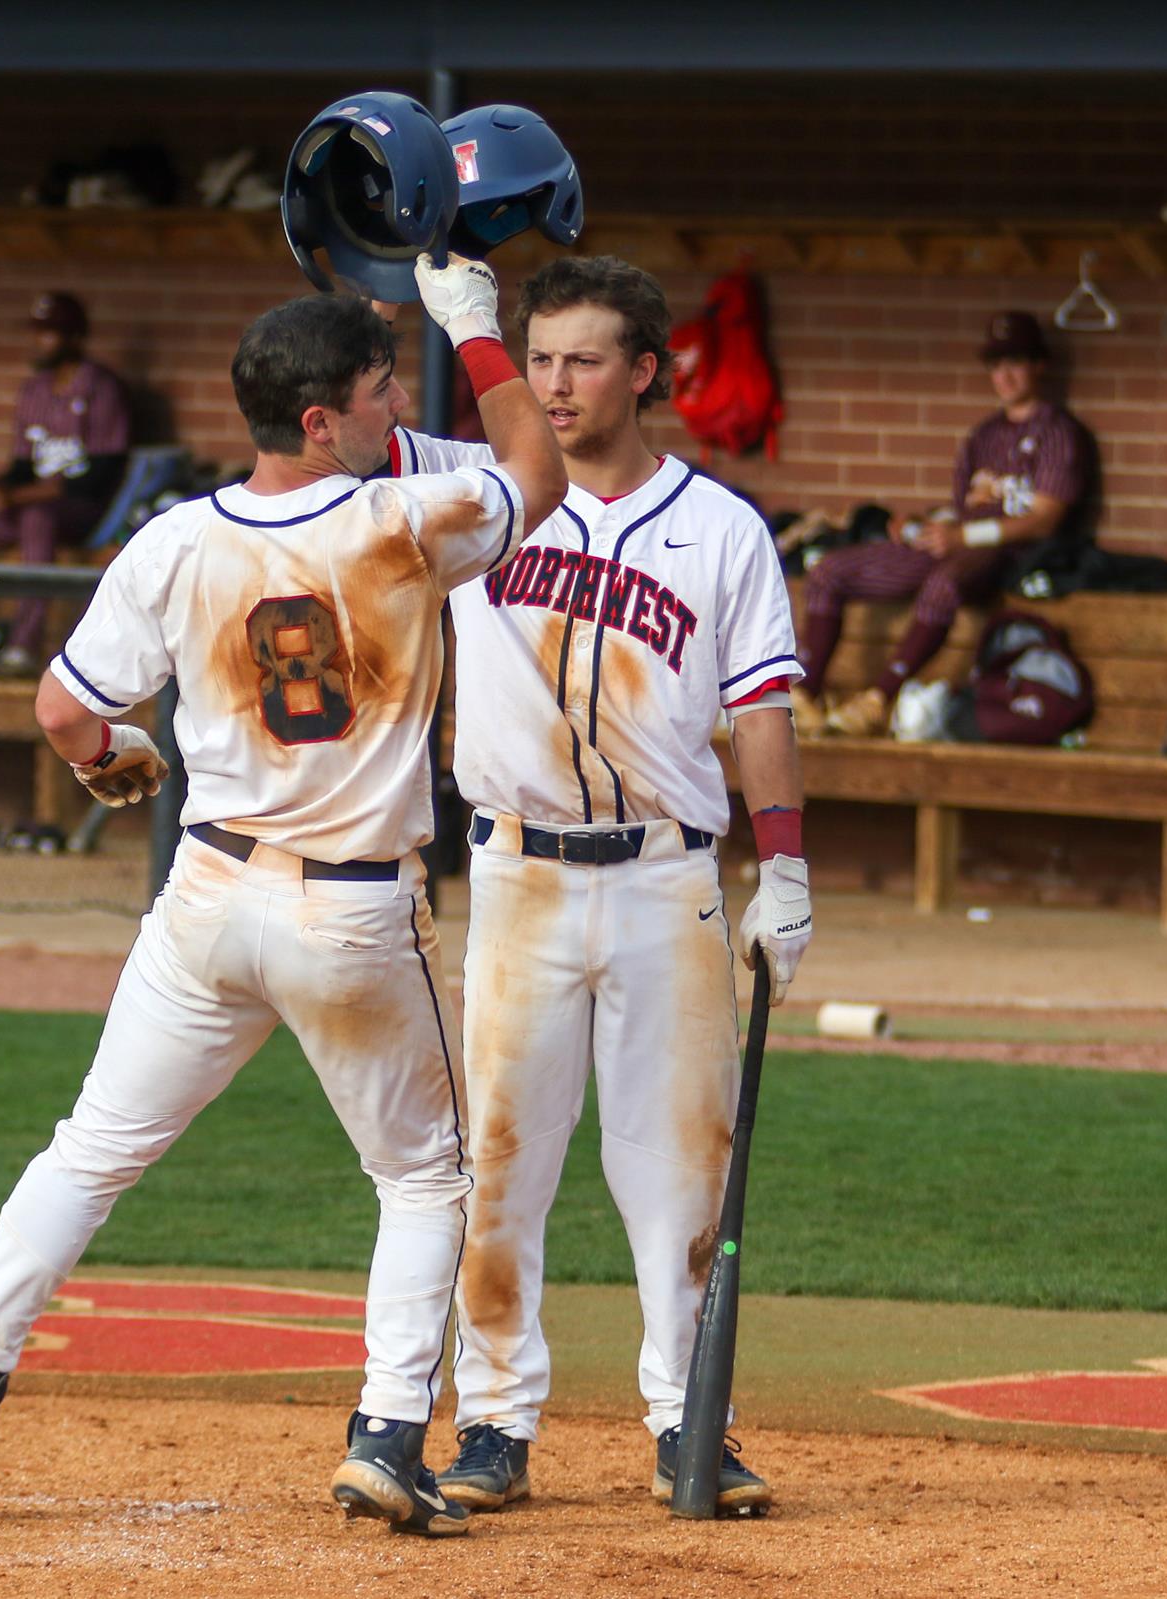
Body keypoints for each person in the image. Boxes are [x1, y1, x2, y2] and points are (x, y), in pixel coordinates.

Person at [0, 263, 565, 1536]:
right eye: (374, 392)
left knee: (89, 1154)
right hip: (352, 914)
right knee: (425, 1180)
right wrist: (476, 327)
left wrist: (106, 764)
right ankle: (383, 1437)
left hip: (203, 897)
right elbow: (535, 469)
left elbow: (62, 710)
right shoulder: (399, 521)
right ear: (316, 421)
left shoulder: (172, 538)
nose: (393, 407)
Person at [378, 255, 812, 1516]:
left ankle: (690, 1427)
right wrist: (442, 307)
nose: (554, 384)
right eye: (540, 358)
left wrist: (781, 876)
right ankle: (497, 1429)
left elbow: (761, 710)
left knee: (678, 1169)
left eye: (580, 360)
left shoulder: (719, 527)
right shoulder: (477, 493)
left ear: (644, 372)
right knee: (499, 1166)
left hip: (663, 881)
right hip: (515, 872)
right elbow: (346, 420)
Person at [795, 310, 1097, 737]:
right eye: (996, 365)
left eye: (1015, 363)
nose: (1004, 376)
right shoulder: (984, 435)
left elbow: (1044, 520)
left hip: (1007, 553)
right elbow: (963, 509)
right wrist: (921, 525)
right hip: (959, 541)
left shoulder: (1059, 432)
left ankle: (879, 699)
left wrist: (963, 535)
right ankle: (804, 697)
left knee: (942, 584)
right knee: (827, 572)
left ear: (1038, 365)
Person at [0, 291, 130, 677]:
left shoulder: (101, 387)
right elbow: (21, 467)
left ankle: (22, 647)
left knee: (36, 517)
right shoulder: (33, 390)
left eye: (49, 333)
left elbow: (99, 475)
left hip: (79, 512)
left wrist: (13, 495)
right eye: (37, 332)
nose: (39, 341)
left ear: (75, 338)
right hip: (28, 506)